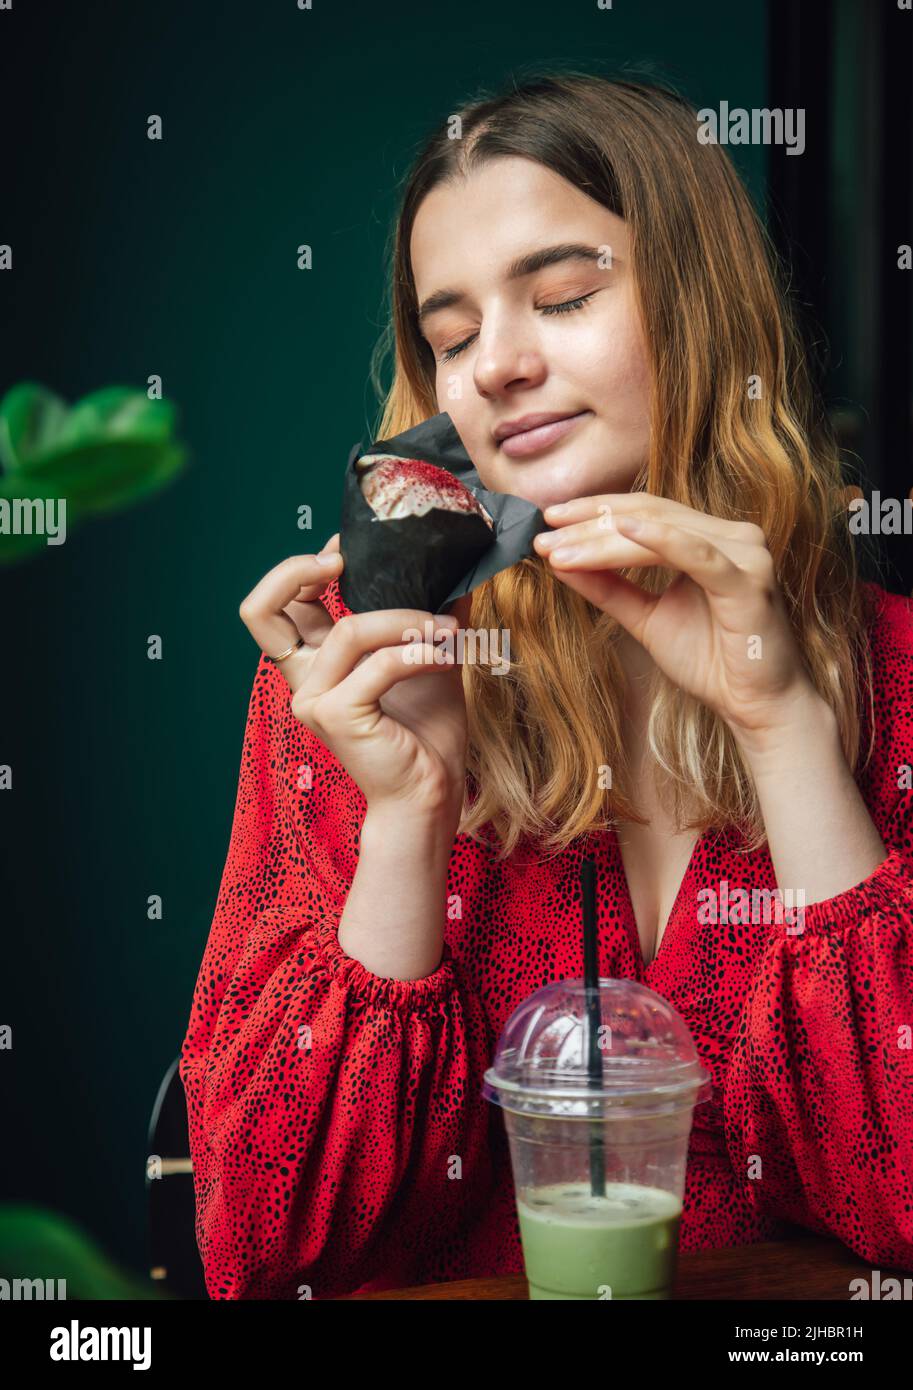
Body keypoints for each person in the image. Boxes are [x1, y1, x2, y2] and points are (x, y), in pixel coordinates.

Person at [179, 72, 913, 1300]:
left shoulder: (891, 672)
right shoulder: (357, 685)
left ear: (700, 306)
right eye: (452, 337)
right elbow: (266, 1254)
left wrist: (784, 731)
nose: (500, 365)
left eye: (564, 296)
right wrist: (407, 818)